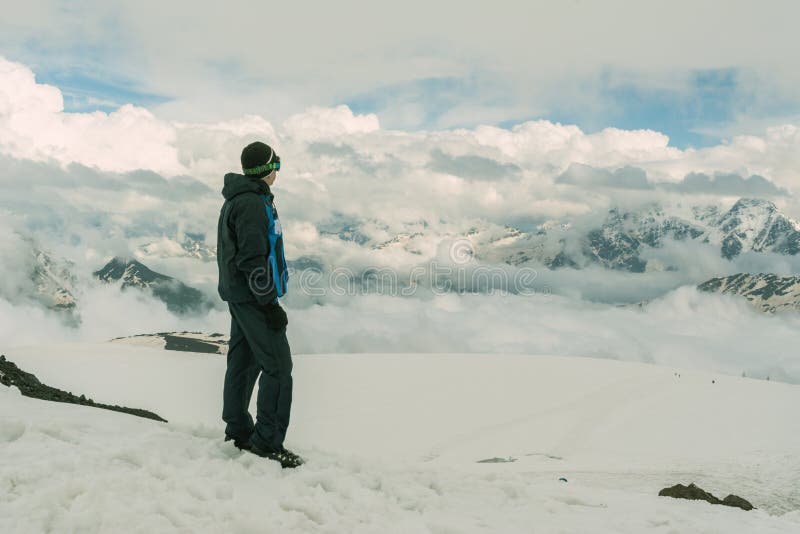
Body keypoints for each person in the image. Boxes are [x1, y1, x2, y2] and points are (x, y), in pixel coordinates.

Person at [216, 141, 302, 468]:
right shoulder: (252, 203)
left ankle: (238, 429)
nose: (278, 170)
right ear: (267, 168)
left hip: (241, 295)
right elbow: (252, 259)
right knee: (278, 368)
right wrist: (269, 304)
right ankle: (267, 443)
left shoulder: (241, 199)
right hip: (254, 298)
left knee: (244, 362)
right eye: (277, 164)